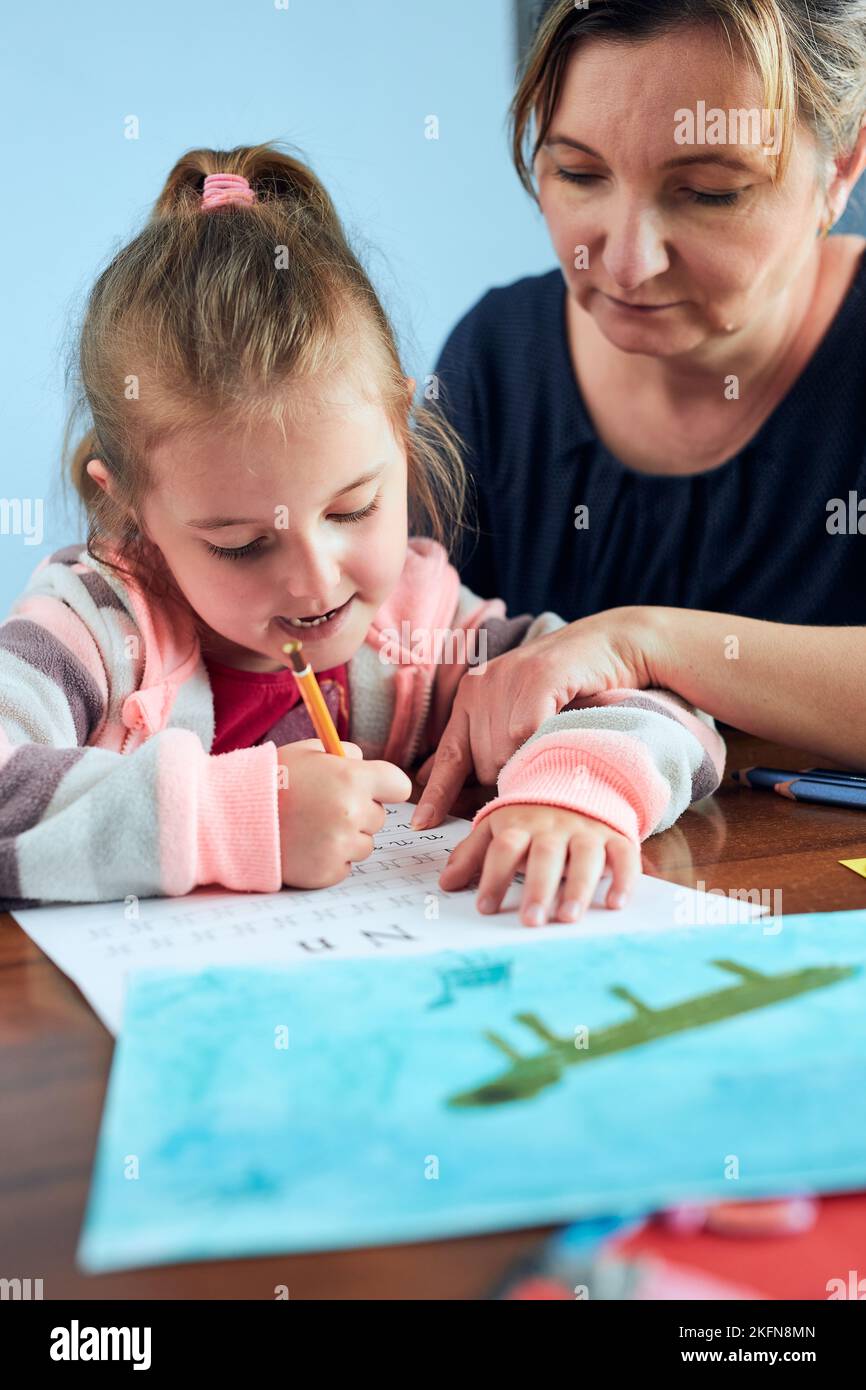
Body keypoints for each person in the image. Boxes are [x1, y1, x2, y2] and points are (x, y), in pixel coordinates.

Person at [0, 144, 724, 928]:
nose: (315, 583)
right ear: (132, 509)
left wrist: (574, 793)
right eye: (240, 543)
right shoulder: (93, 627)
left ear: (402, 438)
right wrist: (241, 819)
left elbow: (666, 708)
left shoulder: (423, 631)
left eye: (350, 511)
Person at [414, 0, 866, 829]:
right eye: (579, 174)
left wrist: (642, 641)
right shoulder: (496, 361)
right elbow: (385, 645)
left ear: (839, 165)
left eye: (707, 192)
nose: (625, 262)